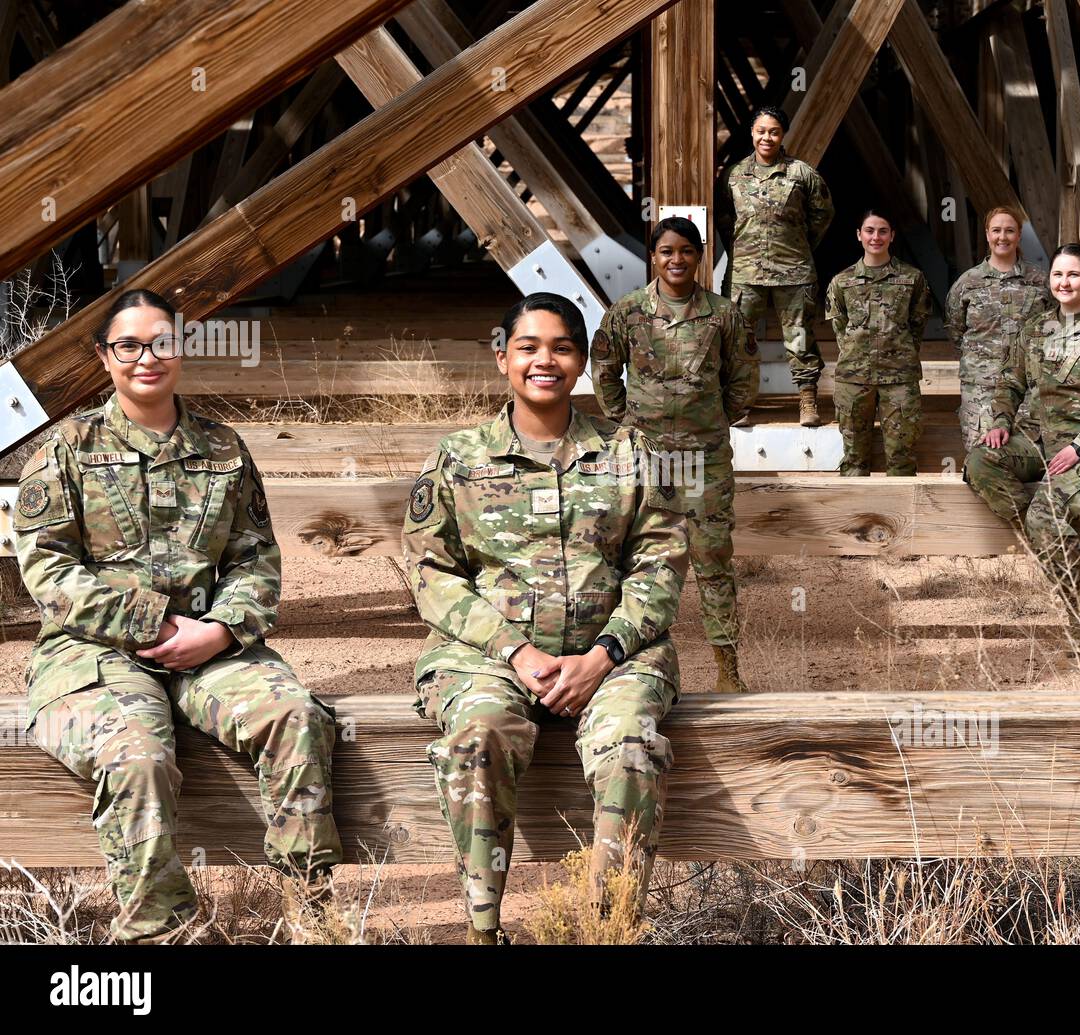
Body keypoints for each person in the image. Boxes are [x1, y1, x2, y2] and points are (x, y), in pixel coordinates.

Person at [14, 289, 341, 943]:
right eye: (128, 344)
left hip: (209, 646)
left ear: (181, 348)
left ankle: (311, 913)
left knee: (296, 717)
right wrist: (155, 626)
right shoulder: (67, 451)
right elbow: (48, 571)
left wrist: (219, 629)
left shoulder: (223, 448)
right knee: (135, 753)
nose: (146, 357)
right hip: (93, 652)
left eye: (160, 341)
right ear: (105, 357)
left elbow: (256, 561)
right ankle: (160, 931)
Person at [402, 293, 689, 945]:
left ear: (582, 361)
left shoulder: (629, 453)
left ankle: (607, 928)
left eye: (561, 347)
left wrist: (603, 655)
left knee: (632, 748)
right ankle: (483, 931)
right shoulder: (457, 458)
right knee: (479, 739)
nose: (545, 360)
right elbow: (432, 575)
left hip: (612, 658)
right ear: (502, 356)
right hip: (486, 659)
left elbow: (661, 566)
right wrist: (516, 652)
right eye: (528, 346)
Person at [592, 216, 759, 693]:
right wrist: (627, 422)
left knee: (713, 562)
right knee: (630, 560)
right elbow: (604, 370)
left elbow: (744, 379)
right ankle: (617, 665)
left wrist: (712, 420)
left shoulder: (723, 314)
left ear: (699, 256)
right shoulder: (626, 313)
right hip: (646, 459)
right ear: (654, 257)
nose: (677, 260)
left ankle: (728, 672)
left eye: (686, 251)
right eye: (667, 251)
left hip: (705, 460)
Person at [963, 245, 1080, 643]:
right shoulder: (1036, 329)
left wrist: (1079, 446)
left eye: (1073, 275)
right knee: (980, 462)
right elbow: (1010, 382)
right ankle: (1057, 542)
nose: (1064, 283)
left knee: (1045, 513)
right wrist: (1001, 422)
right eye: (1057, 275)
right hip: (1041, 441)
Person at [718, 105, 834, 427]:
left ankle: (808, 400)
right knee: (738, 338)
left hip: (793, 269)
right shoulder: (734, 176)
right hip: (746, 271)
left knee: (800, 338)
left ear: (782, 135)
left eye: (773, 131)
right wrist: (741, 247)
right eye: (761, 131)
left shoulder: (802, 174)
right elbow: (725, 218)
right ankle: (738, 404)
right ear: (751, 133)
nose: (766, 137)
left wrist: (798, 243)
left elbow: (822, 214)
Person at [824, 209, 934, 476]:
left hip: (899, 379)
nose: (876, 237)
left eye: (883, 231)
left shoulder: (912, 279)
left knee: (902, 459)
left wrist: (898, 354)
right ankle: (853, 517)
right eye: (870, 231)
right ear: (859, 235)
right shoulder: (842, 282)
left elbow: (917, 325)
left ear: (892, 235)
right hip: (854, 379)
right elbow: (841, 329)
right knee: (853, 460)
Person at [945, 206, 1052, 454]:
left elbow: (1054, 328)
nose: (1002, 237)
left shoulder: (1040, 282)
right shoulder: (967, 283)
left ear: (1018, 235)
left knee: (1026, 456)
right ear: (986, 234)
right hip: (981, 389)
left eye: (1009, 231)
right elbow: (956, 330)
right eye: (996, 230)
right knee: (980, 457)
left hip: (1027, 389)